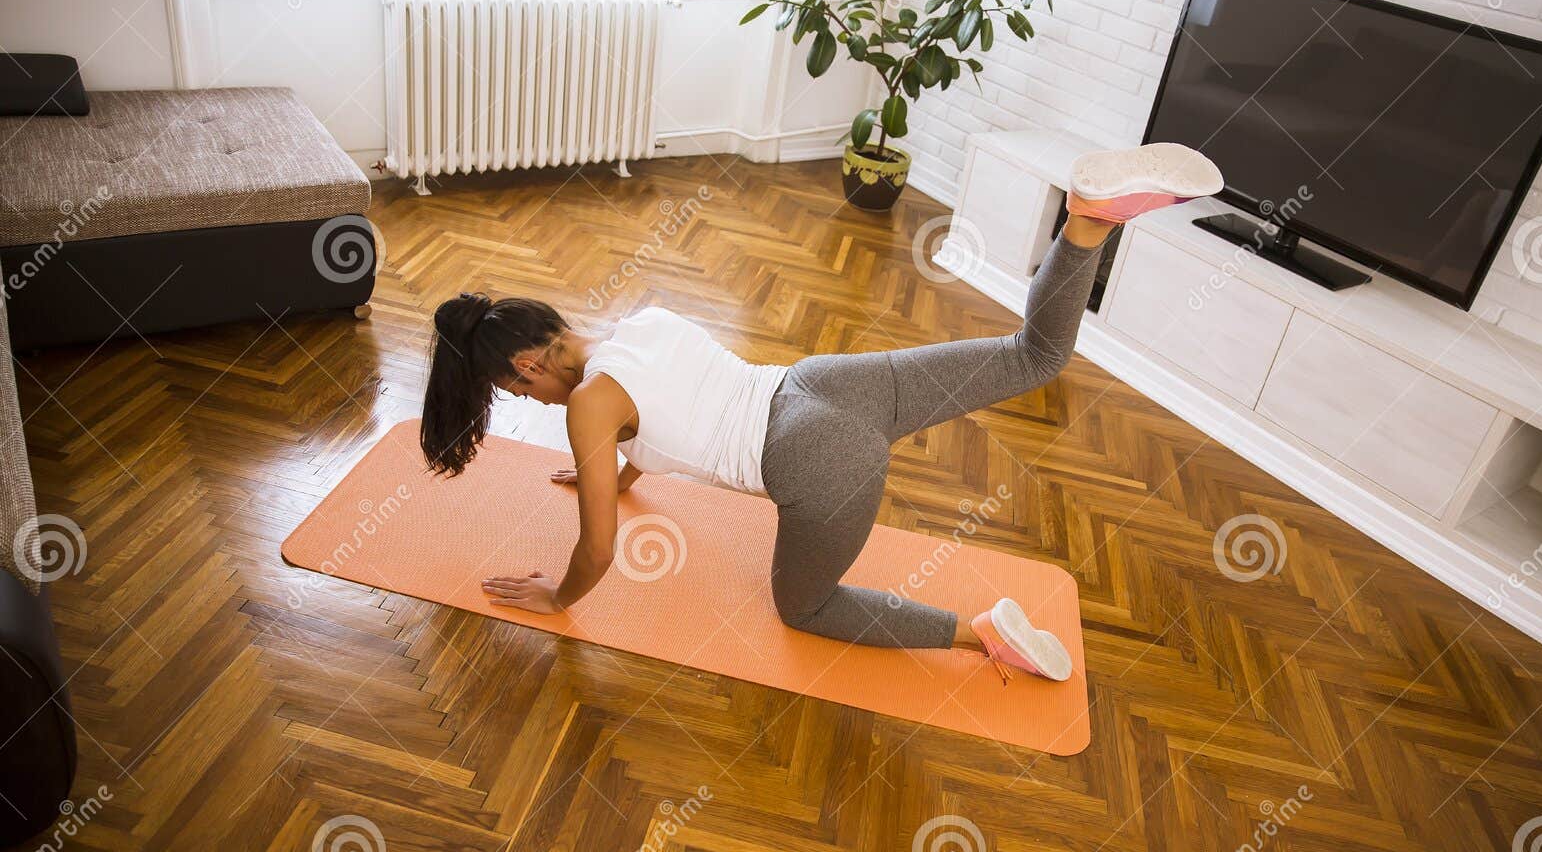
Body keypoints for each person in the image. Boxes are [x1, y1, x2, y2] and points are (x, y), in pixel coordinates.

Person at [421, 143, 1222, 682]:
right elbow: (667, 408)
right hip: (827, 384)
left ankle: (985, 632)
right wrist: (615, 472)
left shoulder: (590, 408)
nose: (533, 401)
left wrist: (557, 598)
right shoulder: (639, 321)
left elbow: (598, 549)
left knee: (805, 607)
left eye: (519, 392)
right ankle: (1085, 223)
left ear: (529, 365)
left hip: (815, 459)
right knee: (1032, 355)